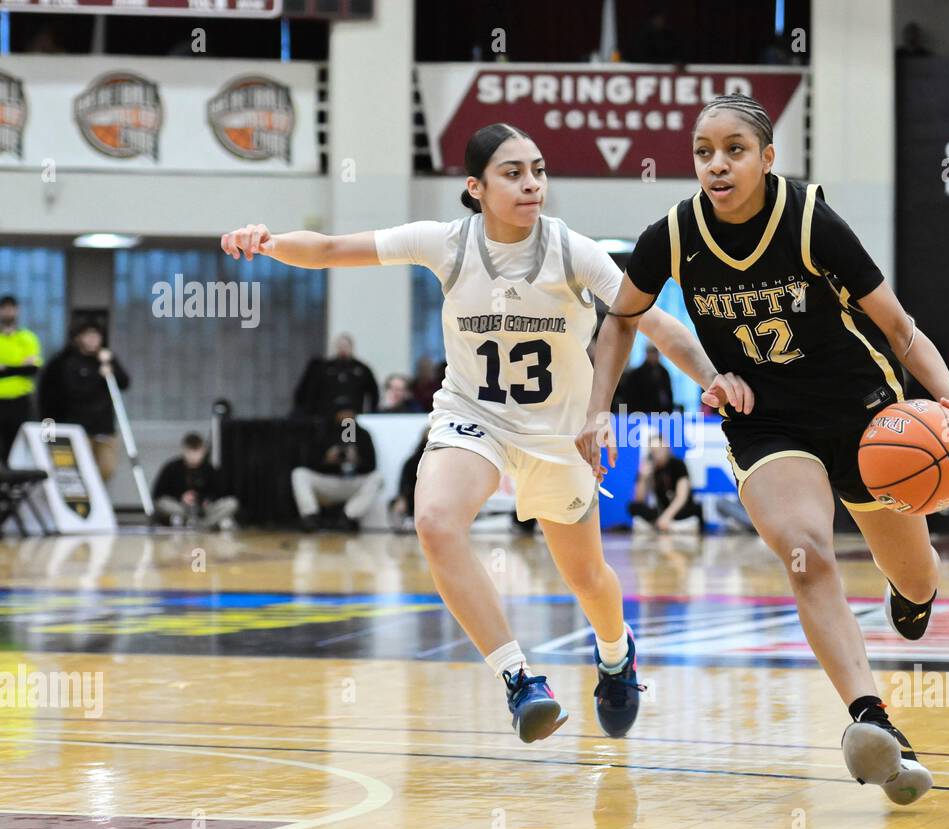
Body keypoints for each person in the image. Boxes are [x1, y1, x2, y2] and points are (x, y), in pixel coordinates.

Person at [221, 122, 753, 744]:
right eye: (513, 173)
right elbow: (335, 250)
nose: (532, 184)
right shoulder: (445, 244)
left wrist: (715, 376)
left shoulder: (572, 250)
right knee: (436, 522)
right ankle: (521, 679)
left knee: (588, 578)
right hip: (474, 416)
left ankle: (616, 655)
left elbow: (655, 325)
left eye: (538, 170)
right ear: (475, 188)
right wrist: (270, 241)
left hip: (557, 437)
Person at [578, 94, 949, 806]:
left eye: (735, 149)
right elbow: (621, 319)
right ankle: (873, 720)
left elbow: (900, 327)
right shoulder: (672, 236)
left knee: (917, 578)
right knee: (807, 552)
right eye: (704, 152)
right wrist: (597, 409)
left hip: (863, 418)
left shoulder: (811, 223)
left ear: (768, 158)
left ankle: (909, 591)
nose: (717, 164)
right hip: (766, 425)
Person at [38, 319, 130, 482]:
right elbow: (74, 392)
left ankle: (98, 500)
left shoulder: (106, 359)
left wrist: (111, 367)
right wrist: (98, 377)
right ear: (79, 338)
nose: (93, 340)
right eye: (88, 335)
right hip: (80, 427)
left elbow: (124, 383)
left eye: (96, 336)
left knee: (107, 468)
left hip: (104, 427)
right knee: (81, 468)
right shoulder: (68, 362)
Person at [290, 400, 383, 533]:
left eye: (350, 413)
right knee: (299, 474)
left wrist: (357, 460)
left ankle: (347, 517)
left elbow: (372, 465)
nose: (347, 416)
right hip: (328, 481)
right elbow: (309, 462)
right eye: (343, 413)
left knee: (377, 478)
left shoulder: (363, 435)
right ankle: (310, 517)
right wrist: (326, 460)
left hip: (352, 481)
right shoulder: (323, 433)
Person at [152, 432, 239, 530]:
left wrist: (205, 499)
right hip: (181, 507)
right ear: (184, 450)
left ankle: (200, 525)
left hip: (204, 509)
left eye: (197, 452)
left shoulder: (209, 469)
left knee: (231, 503)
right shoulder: (171, 468)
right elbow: (158, 494)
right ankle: (203, 523)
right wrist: (181, 498)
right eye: (191, 452)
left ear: (203, 451)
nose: (194, 456)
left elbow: (220, 493)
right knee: (163, 504)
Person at [292, 333, 380, 418]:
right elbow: (312, 391)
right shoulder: (325, 368)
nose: (343, 349)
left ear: (352, 348)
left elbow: (373, 391)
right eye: (340, 346)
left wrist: (371, 412)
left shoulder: (362, 369)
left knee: (349, 433)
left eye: (346, 346)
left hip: (352, 415)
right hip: (327, 415)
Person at [628, 434, 703, 532]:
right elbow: (639, 499)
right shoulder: (649, 467)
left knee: (695, 510)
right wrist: (643, 477)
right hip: (662, 509)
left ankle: (665, 525)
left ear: (667, 448)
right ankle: (668, 526)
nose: (658, 454)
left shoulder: (678, 464)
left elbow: (681, 497)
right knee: (633, 507)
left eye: (660, 450)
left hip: (679, 510)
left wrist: (666, 517)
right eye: (654, 451)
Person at [0, 295, 42, 464]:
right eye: (4, 308)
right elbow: (24, 368)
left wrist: (6, 368)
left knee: (17, 447)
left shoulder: (28, 338)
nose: (8, 312)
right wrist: (18, 367)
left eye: (11, 308)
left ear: (17, 311)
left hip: (19, 401)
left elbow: (32, 369)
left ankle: (12, 487)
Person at [615, 344, 675, 414]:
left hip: (661, 414)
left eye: (656, 352)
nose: (654, 355)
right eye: (651, 352)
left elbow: (668, 394)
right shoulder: (636, 374)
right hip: (641, 414)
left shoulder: (664, 373)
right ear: (647, 353)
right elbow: (630, 397)